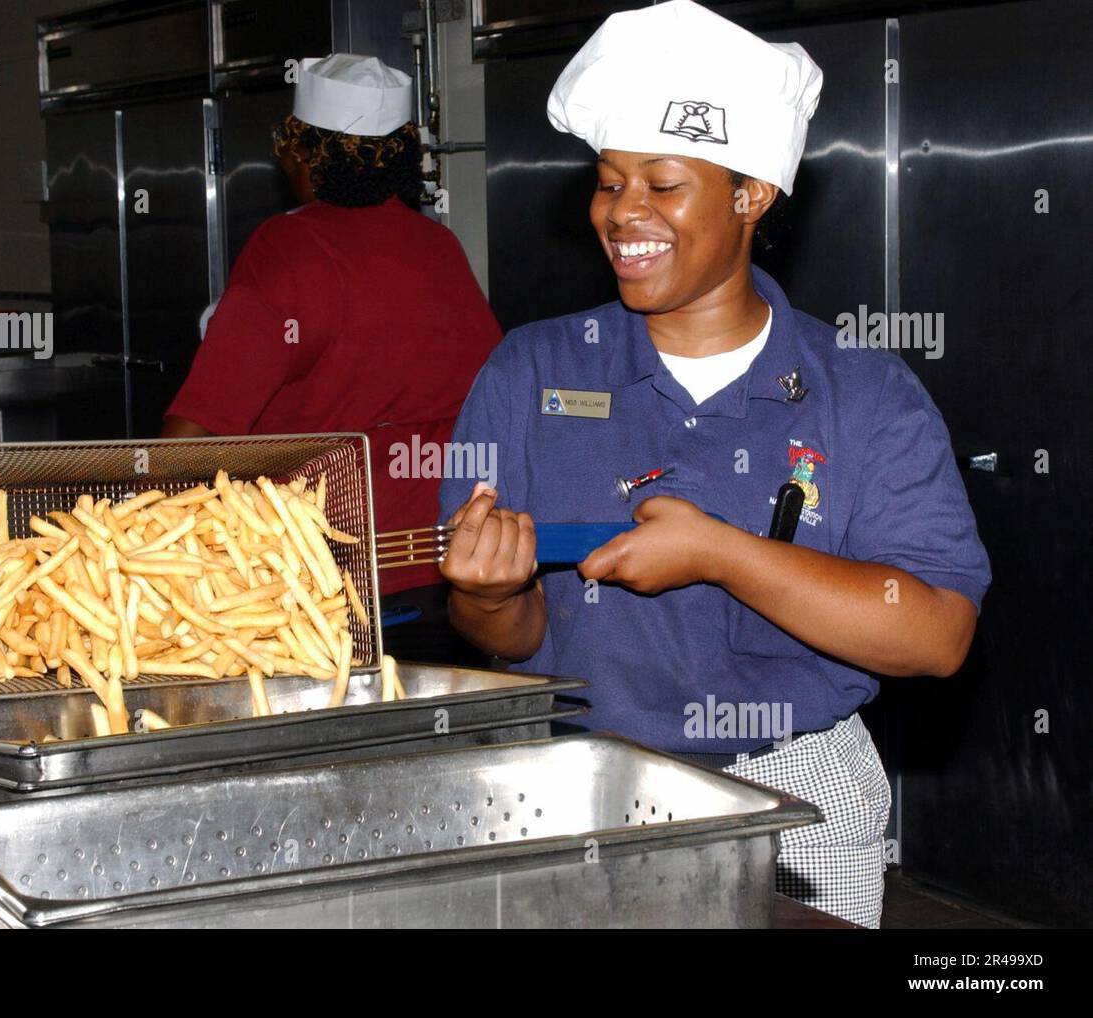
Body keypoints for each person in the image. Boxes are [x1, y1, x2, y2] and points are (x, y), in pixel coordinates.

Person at [437, 0, 990, 928]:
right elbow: (509, 636)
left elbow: (935, 635)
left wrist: (721, 553)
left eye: (663, 184)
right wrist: (490, 598)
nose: (625, 216)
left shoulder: (862, 394)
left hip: (792, 792)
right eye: (609, 184)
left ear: (752, 195)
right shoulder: (533, 370)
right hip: (576, 778)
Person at [165, 55, 503, 630]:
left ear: (306, 152)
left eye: (287, 143)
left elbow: (196, 427)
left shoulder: (288, 246)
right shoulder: (439, 248)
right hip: (442, 580)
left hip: (316, 584)